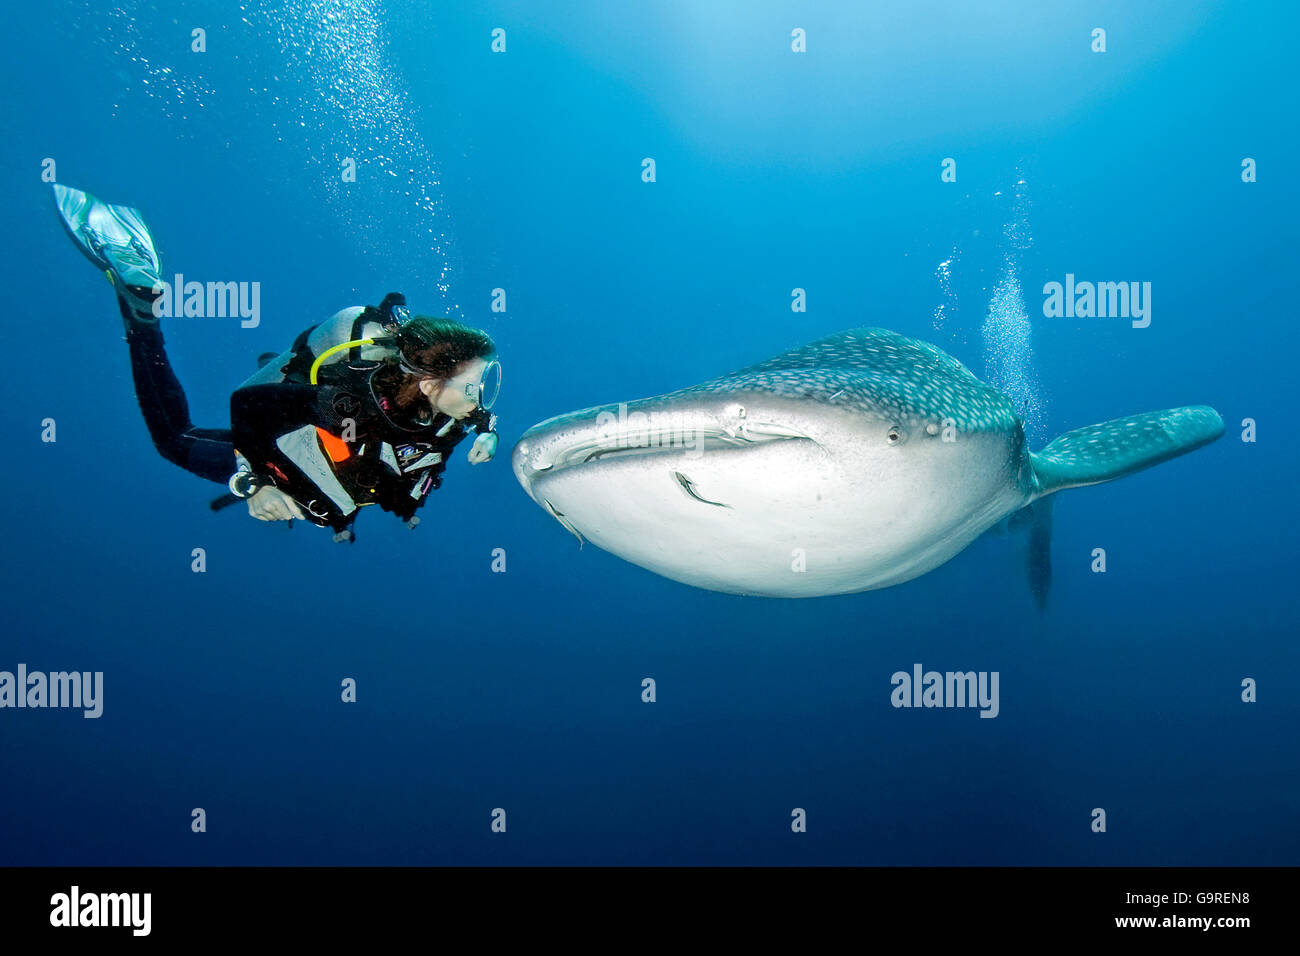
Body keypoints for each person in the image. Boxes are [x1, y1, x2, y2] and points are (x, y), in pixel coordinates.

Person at [52, 183, 501, 542]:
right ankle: (141, 315)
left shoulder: (451, 408)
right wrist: (257, 482)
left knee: (291, 399)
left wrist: (489, 432)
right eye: (473, 387)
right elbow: (246, 405)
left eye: (485, 383)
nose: (480, 398)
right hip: (282, 453)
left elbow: (466, 421)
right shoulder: (345, 405)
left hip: (322, 448)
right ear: (427, 385)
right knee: (173, 439)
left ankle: (277, 372)